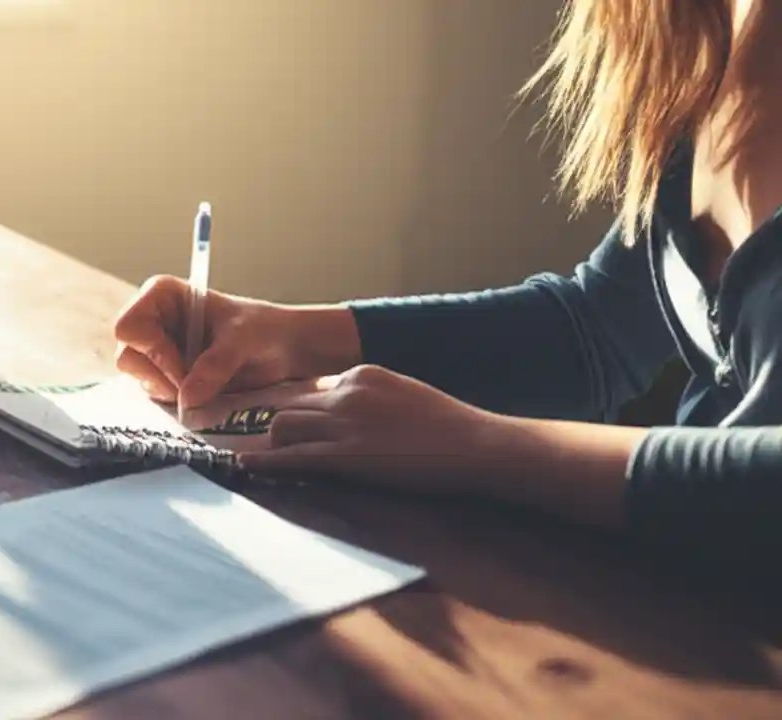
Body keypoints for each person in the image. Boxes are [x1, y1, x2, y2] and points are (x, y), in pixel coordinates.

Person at [113, 0, 782, 563]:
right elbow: (597, 329)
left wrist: (480, 447)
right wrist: (296, 336)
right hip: (691, 609)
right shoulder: (705, 27)